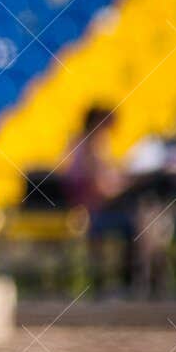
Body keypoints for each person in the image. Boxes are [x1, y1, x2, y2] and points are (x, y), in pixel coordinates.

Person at [63, 105, 134, 294]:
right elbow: (100, 186)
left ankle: (122, 282)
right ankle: (124, 282)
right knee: (134, 222)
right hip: (90, 209)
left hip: (97, 205)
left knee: (136, 218)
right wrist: (125, 184)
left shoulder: (89, 145)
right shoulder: (88, 147)